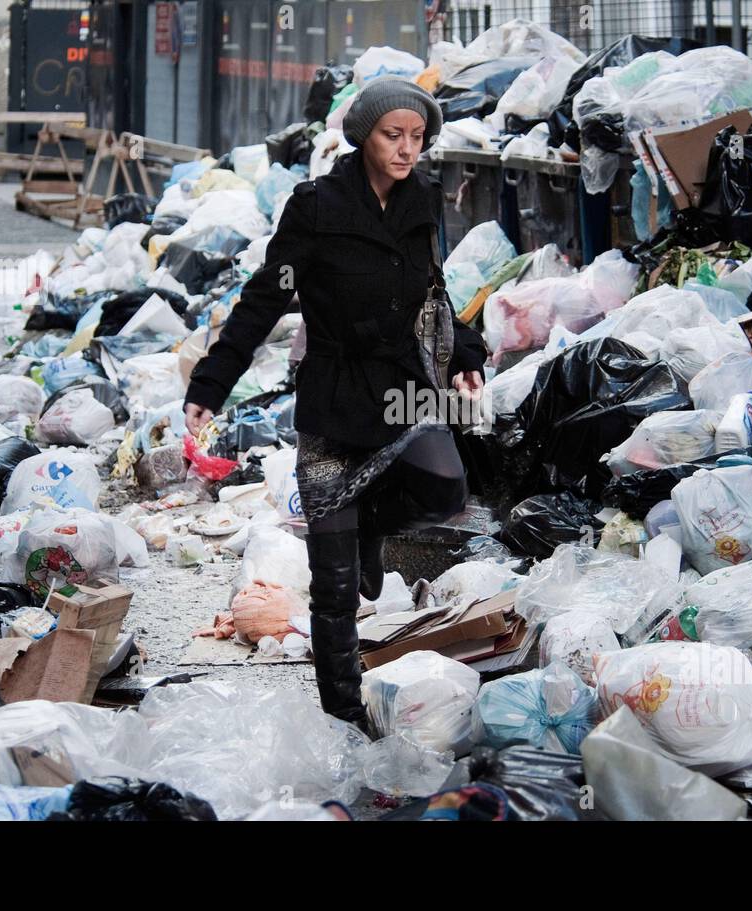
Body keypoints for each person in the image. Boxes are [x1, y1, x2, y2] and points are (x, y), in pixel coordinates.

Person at [183, 79, 487, 727]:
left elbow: (434, 288)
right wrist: (211, 383)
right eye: (392, 135)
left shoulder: (424, 200)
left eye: (418, 136)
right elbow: (267, 296)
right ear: (364, 136)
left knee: (444, 485)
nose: (408, 150)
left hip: (403, 386)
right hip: (335, 399)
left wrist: (464, 353)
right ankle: (343, 715)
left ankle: (374, 527)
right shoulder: (316, 207)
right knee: (334, 585)